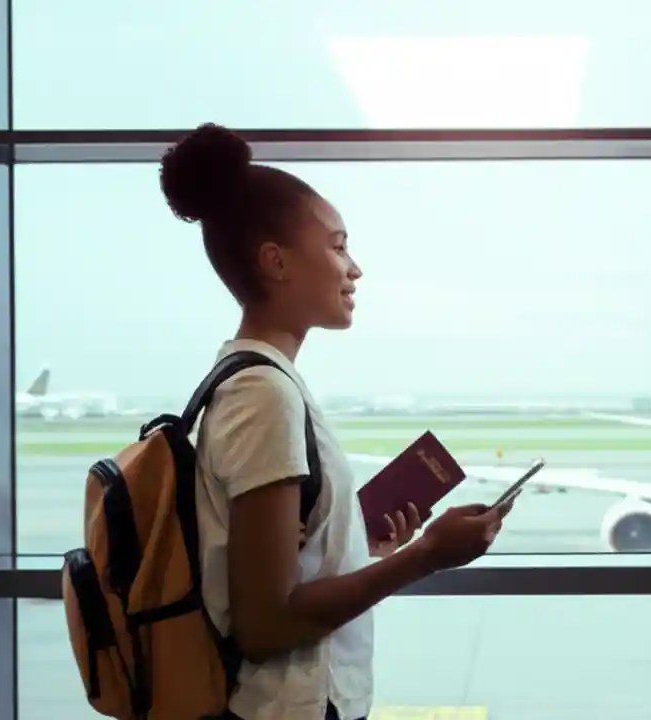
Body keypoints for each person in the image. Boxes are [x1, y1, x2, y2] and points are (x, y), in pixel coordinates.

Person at [158, 123, 514, 720]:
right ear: (277, 262)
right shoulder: (263, 395)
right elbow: (266, 624)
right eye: (338, 245)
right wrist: (426, 554)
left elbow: (272, 574)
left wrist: (351, 548)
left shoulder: (255, 381)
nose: (355, 269)